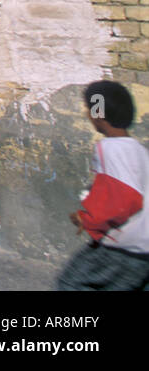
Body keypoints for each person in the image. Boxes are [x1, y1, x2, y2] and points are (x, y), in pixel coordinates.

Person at [57, 81, 149, 290]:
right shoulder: (140, 151)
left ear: (98, 114)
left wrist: (87, 218)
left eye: (90, 109)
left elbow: (125, 198)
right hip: (143, 249)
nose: (88, 115)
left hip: (123, 246)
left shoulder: (109, 148)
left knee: (70, 283)